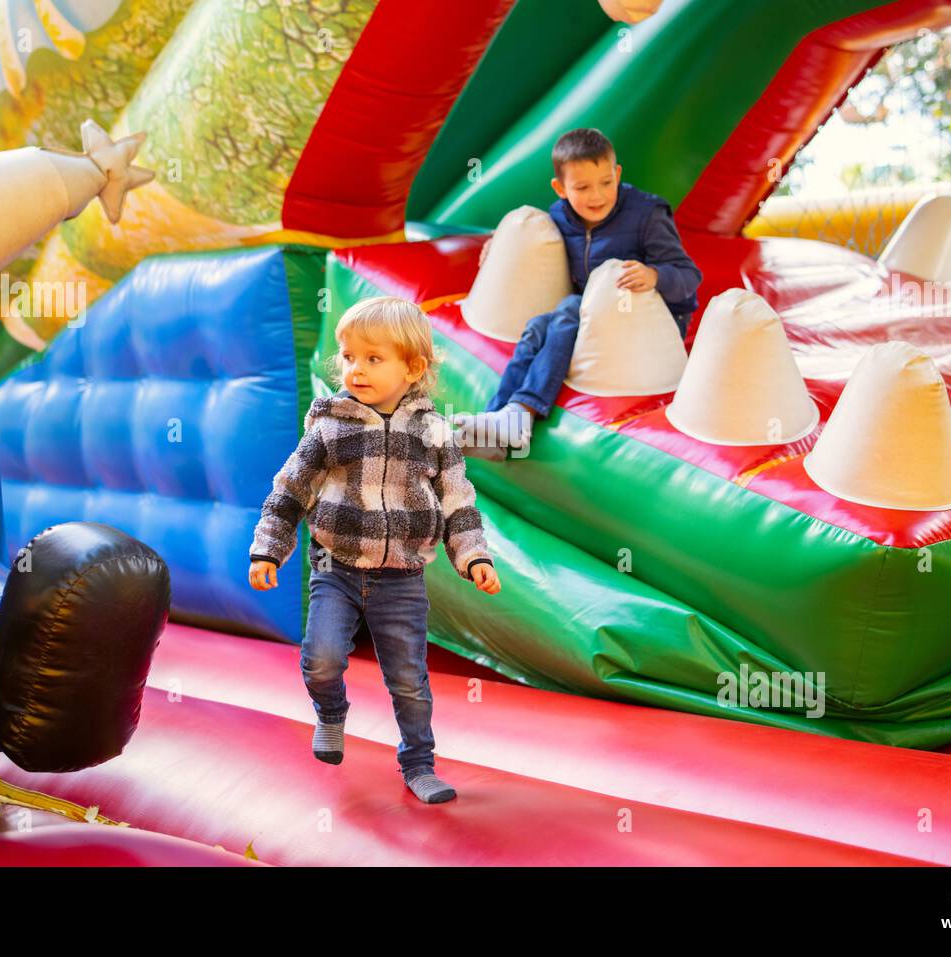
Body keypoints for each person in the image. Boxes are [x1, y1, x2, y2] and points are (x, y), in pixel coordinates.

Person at [248, 296, 500, 804]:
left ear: (414, 368)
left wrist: (474, 556)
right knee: (321, 660)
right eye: (348, 357)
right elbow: (289, 490)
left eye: (372, 358)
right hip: (336, 570)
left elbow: (458, 502)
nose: (355, 369)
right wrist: (269, 549)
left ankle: (419, 763)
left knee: (408, 679)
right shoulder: (330, 428)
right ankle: (332, 713)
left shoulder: (433, 434)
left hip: (401, 579)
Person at [454, 127, 703, 460]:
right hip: (593, 316)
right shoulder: (562, 217)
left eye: (605, 182)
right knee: (537, 327)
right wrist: (497, 247)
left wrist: (655, 274)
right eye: (582, 187)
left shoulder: (647, 214)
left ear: (617, 174)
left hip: (655, 324)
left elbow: (689, 276)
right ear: (560, 189)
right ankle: (496, 419)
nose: (597, 196)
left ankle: (523, 414)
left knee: (570, 307)